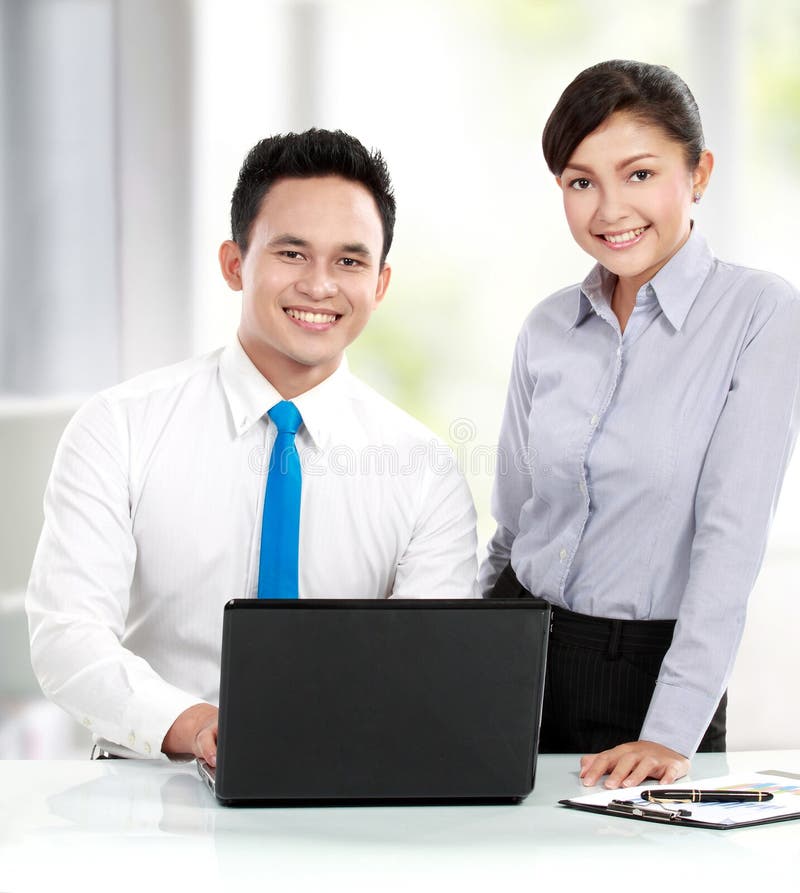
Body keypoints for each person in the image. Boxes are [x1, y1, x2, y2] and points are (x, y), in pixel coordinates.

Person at [26, 128, 479, 766]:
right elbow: (66, 637)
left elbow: (432, 665)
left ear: (379, 284)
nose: (320, 286)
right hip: (153, 791)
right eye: (292, 254)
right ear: (235, 263)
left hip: (345, 795)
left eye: (349, 262)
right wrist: (192, 724)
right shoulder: (119, 427)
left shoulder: (424, 471)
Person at [480, 60, 800, 789]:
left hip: (645, 679)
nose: (609, 209)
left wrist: (670, 729)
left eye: (640, 174)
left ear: (700, 172)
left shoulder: (760, 314)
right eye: (580, 181)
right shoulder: (548, 326)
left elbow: (730, 544)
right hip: (515, 654)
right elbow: (510, 527)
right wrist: (459, 662)